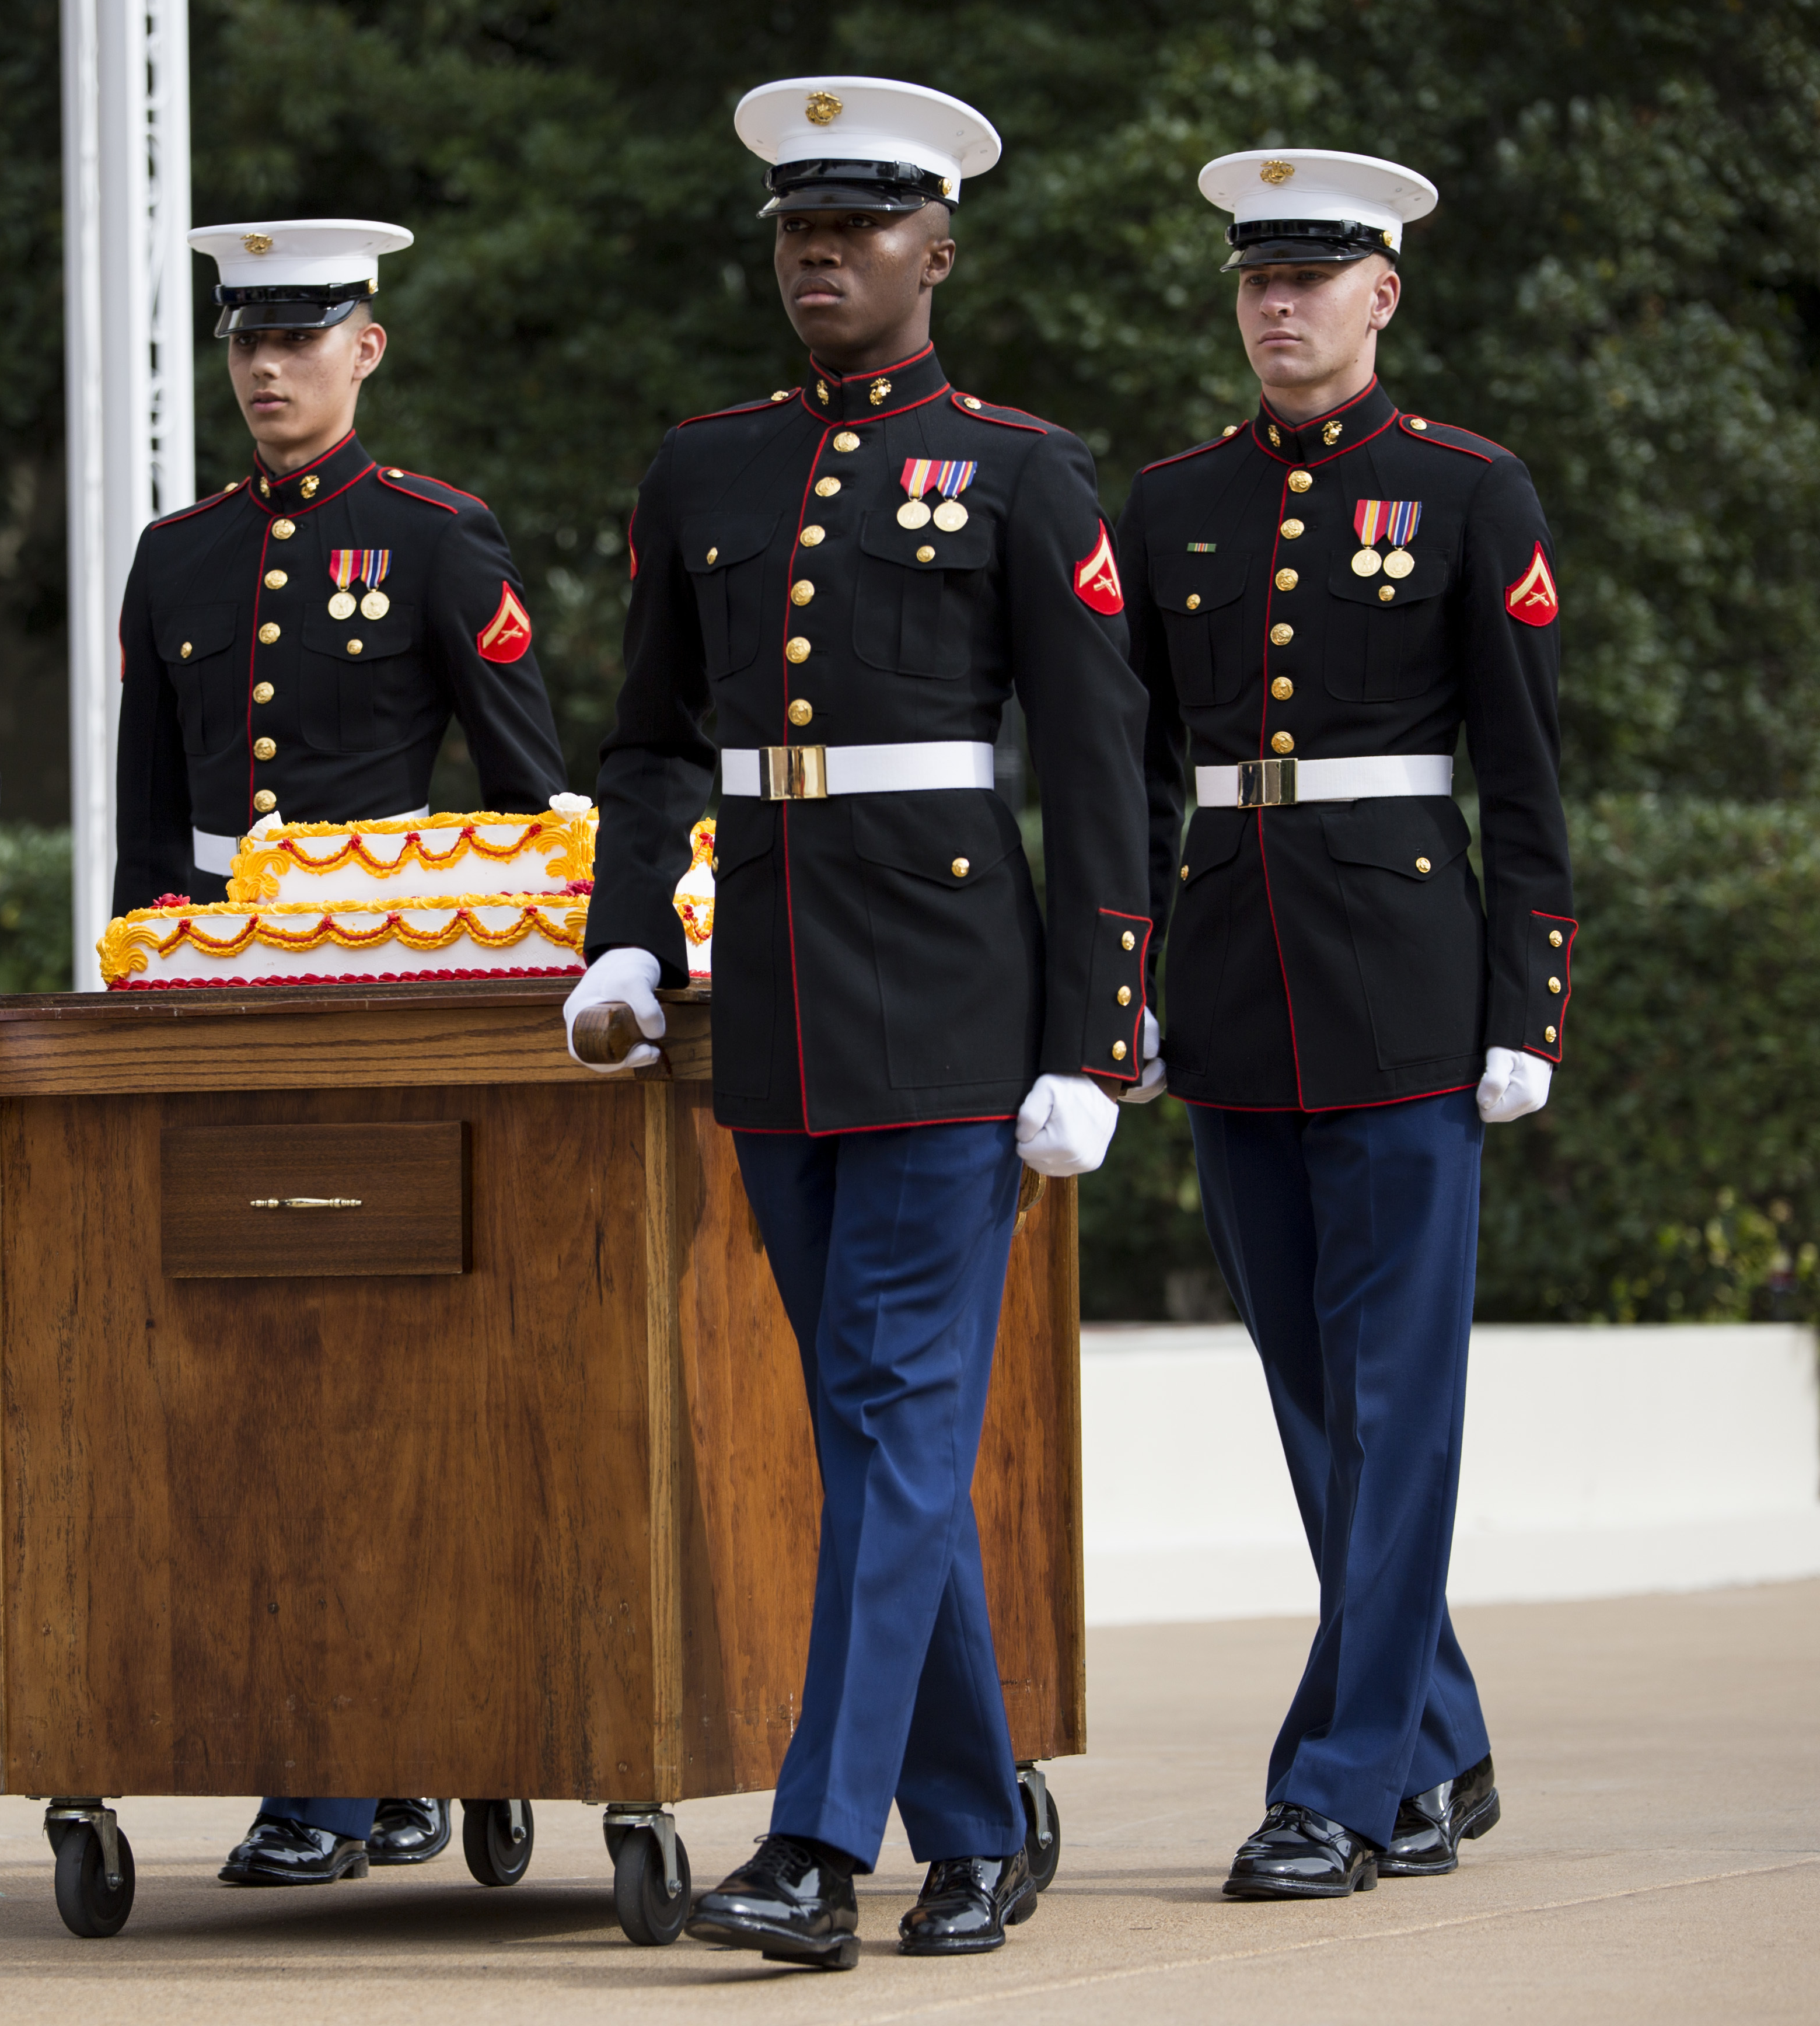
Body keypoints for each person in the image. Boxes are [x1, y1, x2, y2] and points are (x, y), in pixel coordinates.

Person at [567, 78, 1150, 1968]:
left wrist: (1095, 1039)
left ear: (937, 250)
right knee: (871, 1433)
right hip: (782, 1005)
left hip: (959, 1004)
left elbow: (1097, 771)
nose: (821, 254)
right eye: (798, 228)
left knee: (896, 1418)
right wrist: (632, 941)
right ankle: (979, 1825)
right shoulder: (703, 469)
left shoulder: (1020, 468)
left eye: (861, 226)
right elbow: (650, 742)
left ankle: (820, 1847)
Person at [1119, 149, 1568, 1901]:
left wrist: (1525, 994)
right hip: (1234, 982)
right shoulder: (1170, 504)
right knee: (1317, 1404)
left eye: (1313, 279)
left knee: (1402, 1405)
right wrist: (1128, 977)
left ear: (1384, 295)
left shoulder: (1470, 490)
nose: (1279, 306)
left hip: (1407, 992)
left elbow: (1527, 779)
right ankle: (1441, 1737)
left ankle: (1346, 1781)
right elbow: (1134, 772)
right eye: (1256, 281)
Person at [113, 218, 570, 1889]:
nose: (266, 365)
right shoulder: (174, 558)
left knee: (399, 1391)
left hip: (395, 1008)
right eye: (246, 336)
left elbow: (535, 811)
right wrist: (139, 1023)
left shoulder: (440, 541)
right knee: (256, 1387)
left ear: (367, 348)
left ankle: (365, 1759)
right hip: (229, 1012)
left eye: (301, 335)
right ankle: (344, 1765)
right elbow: (151, 839)